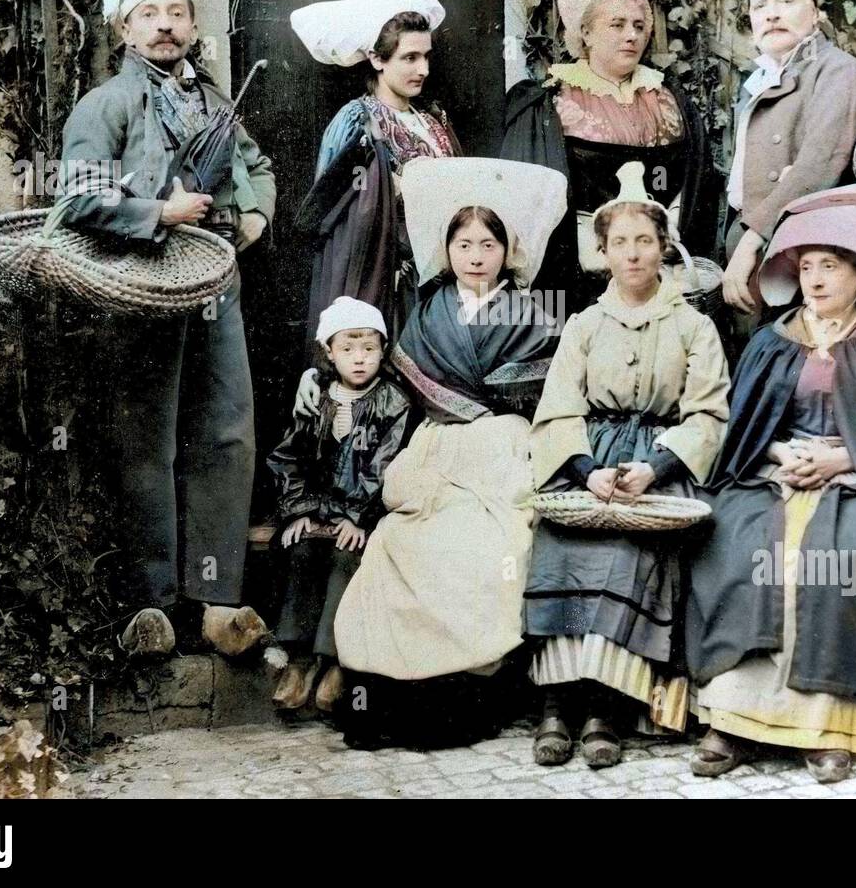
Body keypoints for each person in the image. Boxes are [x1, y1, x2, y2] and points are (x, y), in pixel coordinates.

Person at [684, 184, 856, 784]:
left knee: (849, 552)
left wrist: (843, 461)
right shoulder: (774, 342)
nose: (816, 280)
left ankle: (834, 728)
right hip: (775, 470)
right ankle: (734, 720)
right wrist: (778, 450)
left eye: (830, 266)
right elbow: (744, 429)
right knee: (739, 541)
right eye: (805, 267)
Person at [60, 0, 275, 657]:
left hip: (215, 280)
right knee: (146, 438)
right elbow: (80, 199)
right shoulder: (106, 105)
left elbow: (258, 164)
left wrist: (257, 217)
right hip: (143, 280)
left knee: (228, 430)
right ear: (125, 29)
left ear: (191, 26)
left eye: (177, 13)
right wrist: (160, 212)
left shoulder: (214, 101)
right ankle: (150, 606)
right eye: (149, 14)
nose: (165, 25)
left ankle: (217, 600)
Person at [331, 158, 568, 748]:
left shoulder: (531, 313)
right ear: (449, 249)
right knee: (400, 542)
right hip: (436, 445)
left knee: (489, 545)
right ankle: (394, 701)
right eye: (464, 244)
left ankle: (464, 699)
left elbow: (540, 394)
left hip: (502, 444)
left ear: (506, 249)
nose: (476, 256)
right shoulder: (428, 310)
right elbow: (410, 391)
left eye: (488, 244)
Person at [523, 162, 730, 768]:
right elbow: (558, 407)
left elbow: (709, 414)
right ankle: (556, 704)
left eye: (645, 241)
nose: (633, 254)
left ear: (663, 247)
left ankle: (605, 710)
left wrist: (657, 467)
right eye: (620, 242)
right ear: (604, 251)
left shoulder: (694, 326)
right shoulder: (584, 325)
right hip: (589, 463)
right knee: (559, 547)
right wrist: (586, 470)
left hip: (657, 469)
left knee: (629, 555)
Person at [502, 0, 719, 311]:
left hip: (663, 264)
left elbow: (688, 182)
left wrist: (668, 231)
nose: (631, 36)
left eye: (638, 25)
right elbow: (528, 202)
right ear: (585, 32)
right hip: (583, 277)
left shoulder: (667, 97)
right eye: (617, 25)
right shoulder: (549, 104)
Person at [290, 0, 460, 371]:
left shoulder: (434, 121)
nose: (424, 70)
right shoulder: (357, 121)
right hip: (381, 274)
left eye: (427, 57)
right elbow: (330, 212)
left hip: (440, 278)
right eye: (410, 58)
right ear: (377, 59)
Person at [719, 0, 856, 349]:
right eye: (760, 5)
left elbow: (816, 167)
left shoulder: (841, 72)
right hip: (748, 237)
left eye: (786, 1)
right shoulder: (757, 79)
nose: (772, 14)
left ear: (816, 13)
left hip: (792, 248)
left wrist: (751, 243)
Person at [264, 297, 411, 715]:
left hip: (363, 516)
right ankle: (298, 658)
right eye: (347, 348)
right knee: (302, 549)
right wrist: (300, 511)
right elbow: (286, 458)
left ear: (383, 351)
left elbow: (385, 463)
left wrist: (357, 517)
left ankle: (335, 660)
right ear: (329, 352)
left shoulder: (392, 402)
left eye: (369, 348)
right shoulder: (315, 400)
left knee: (348, 557)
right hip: (317, 508)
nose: (359, 359)